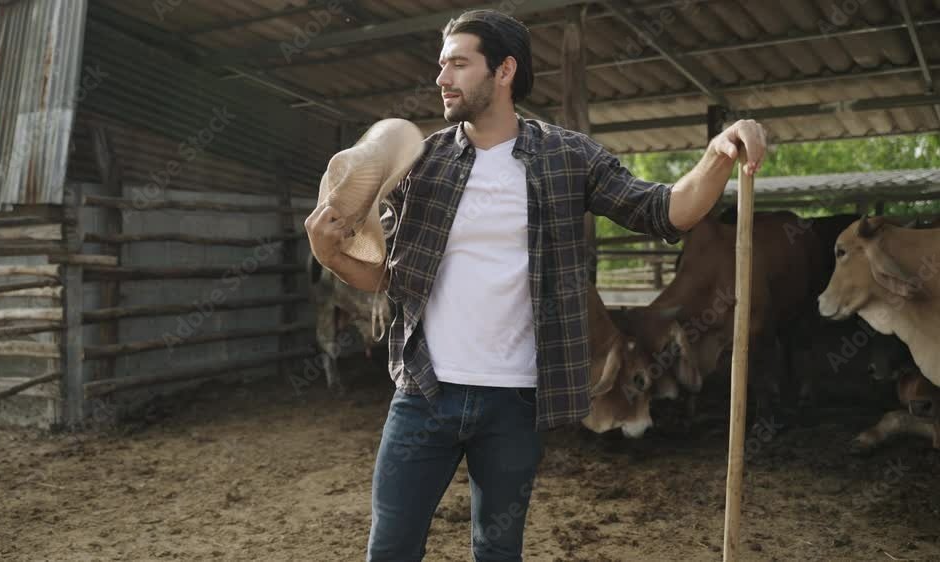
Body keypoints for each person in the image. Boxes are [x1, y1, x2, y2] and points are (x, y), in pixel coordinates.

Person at [304, 9, 767, 562]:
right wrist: (328, 253)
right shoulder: (421, 164)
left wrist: (718, 153)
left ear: (504, 70)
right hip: (423, 394)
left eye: (457, 63)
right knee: (390, 549)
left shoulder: (567, 156)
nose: (441, 78)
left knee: (498, 551)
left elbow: (665, 210)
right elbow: (384, 275)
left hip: (516, 402)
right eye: (441, 65)